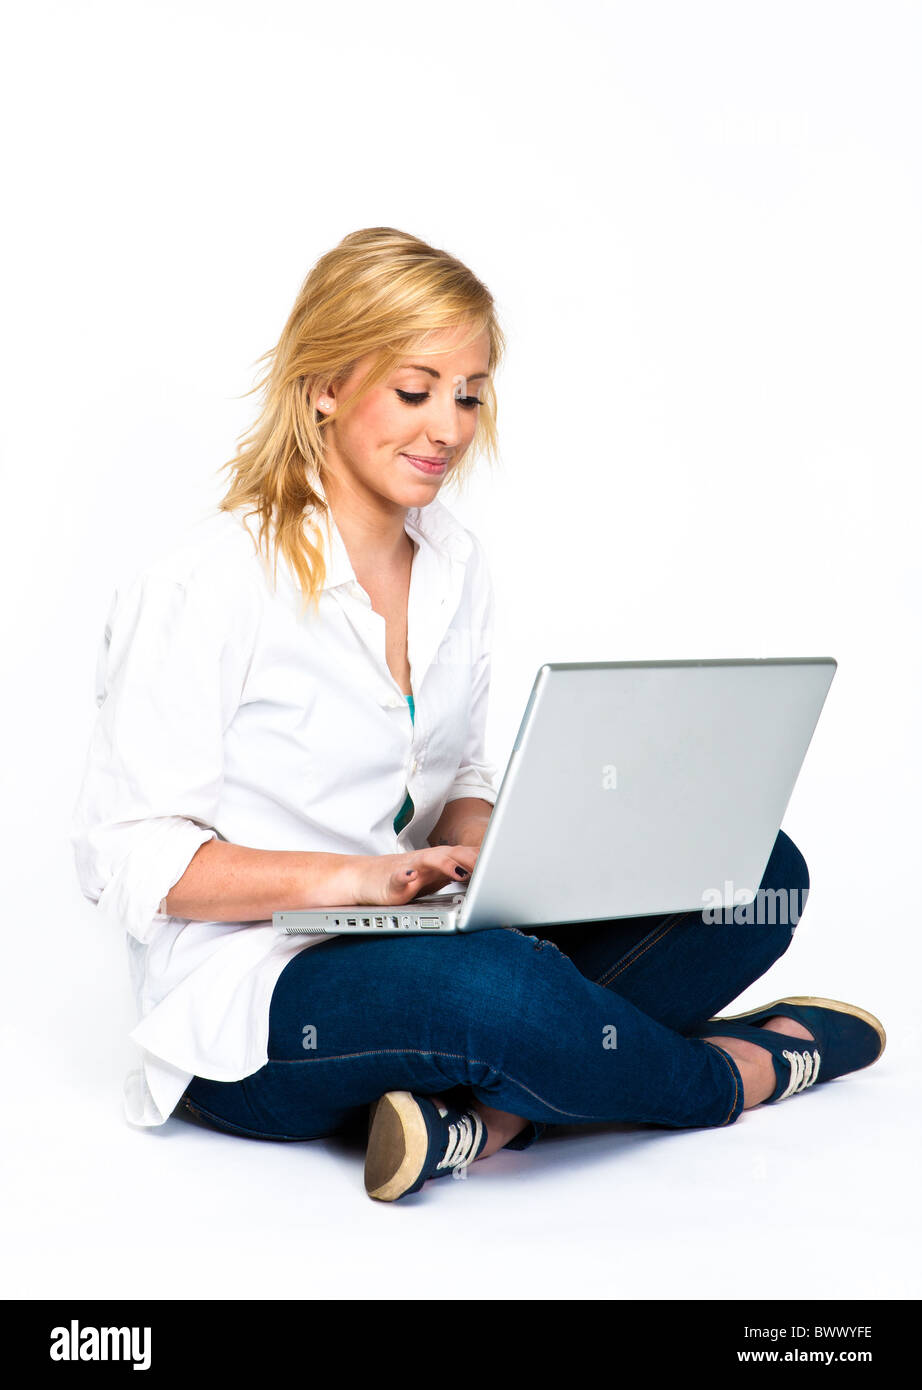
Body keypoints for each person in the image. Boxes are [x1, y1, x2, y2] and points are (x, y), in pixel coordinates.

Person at [70, 226, 886, 1203]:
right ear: (325, 384)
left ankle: (476, 1115)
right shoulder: (210, 582)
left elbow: (455, 783)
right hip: (255, 1006)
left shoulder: (454, 566)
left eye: (469, 393)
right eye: (415, 391)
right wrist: (360, 878)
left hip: (424, 934)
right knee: (502, 990)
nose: (448, 428)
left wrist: (529, 854)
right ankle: (734, 1071)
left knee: (759, 871)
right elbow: (126, 856)